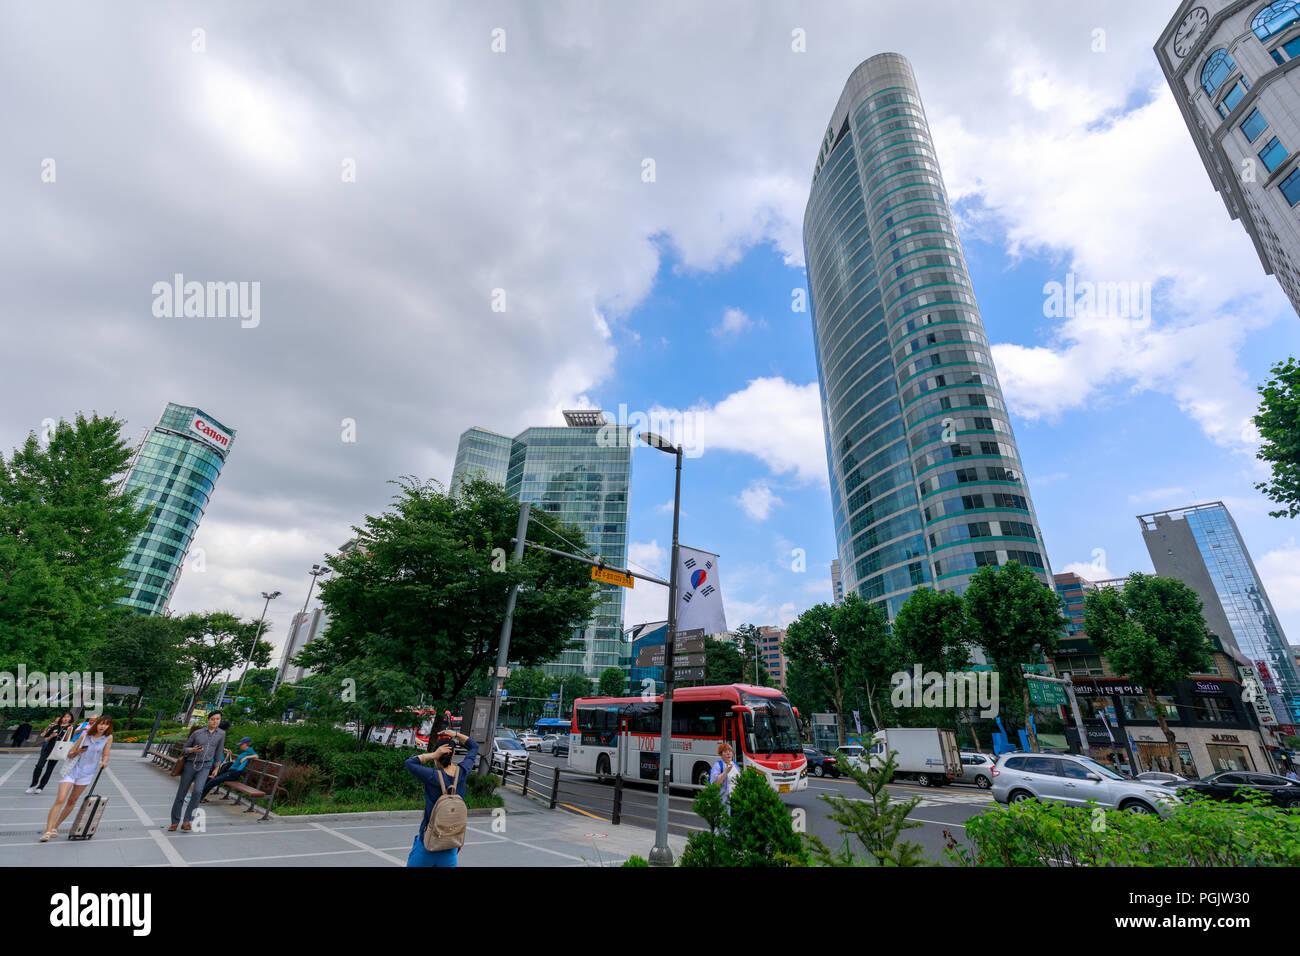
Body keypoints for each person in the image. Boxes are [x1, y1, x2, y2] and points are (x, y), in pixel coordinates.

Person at [404, 729, 478, 867]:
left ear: (437, 756)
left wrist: (432, 754)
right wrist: (455, 734)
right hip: (450, 846)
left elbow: (410, 763)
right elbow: (474, 746)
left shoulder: (432, 776)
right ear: (453, 754)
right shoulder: (462, 772)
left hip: (427, 845)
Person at [41, 716, 113, 841]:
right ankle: (47, 831)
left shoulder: (108, 738)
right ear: (96, 724)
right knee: (61, 799)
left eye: (106, 725)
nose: (103, 726)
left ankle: (55, 827)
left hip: (87, 773)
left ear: (109, 726)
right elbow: (70, 753)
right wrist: (78, 752)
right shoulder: (85, 735)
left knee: (72, 801)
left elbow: (105, 754)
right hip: (72, 770)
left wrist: (104, 762)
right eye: (100, 723)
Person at [169, 710, 225, 832]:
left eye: (218, 719)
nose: (215, 721)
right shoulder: (197, 733)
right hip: (190, 765)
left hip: (205, 767)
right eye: (213, 719)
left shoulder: (221, 734)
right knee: (181, 793)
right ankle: (174, 821)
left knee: (198, 791)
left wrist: (216, 768)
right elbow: (184, 749)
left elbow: (219, 752)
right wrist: (192, 750)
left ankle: (187, 821)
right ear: (208, 720)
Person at [27, 712, 76, 794]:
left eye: (68, 717)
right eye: (64, 717)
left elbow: (67, 740)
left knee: (49, 770)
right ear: (61, 718)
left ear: (71, 719)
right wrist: (51, 736)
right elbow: (45, 739)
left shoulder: (70, 728)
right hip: (47, 750)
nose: (66, 718)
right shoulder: (55, 727)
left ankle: (40, 787)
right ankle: (33, 785)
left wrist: (68, 730)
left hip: (57, 751)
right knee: (39, 766)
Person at [200, 737, 258, 802]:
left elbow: (256, 756)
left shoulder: (250, 750)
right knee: (210, 779)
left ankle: (199, 798)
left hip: (234, 773)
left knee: (212, 781)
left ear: (246, 744)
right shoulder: (244, 752)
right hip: (230, 772)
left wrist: (246, 757)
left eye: (241, 745)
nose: (240, 746)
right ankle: (200, 797)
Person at [709, 742, 742, 807]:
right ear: (721, 754)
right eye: (725, 751)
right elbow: (715, 783)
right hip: (723, 800)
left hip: (736, 799)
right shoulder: (718, 765)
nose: (728, 753)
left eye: (730, 751)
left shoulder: (735, 764)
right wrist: (726, 771)